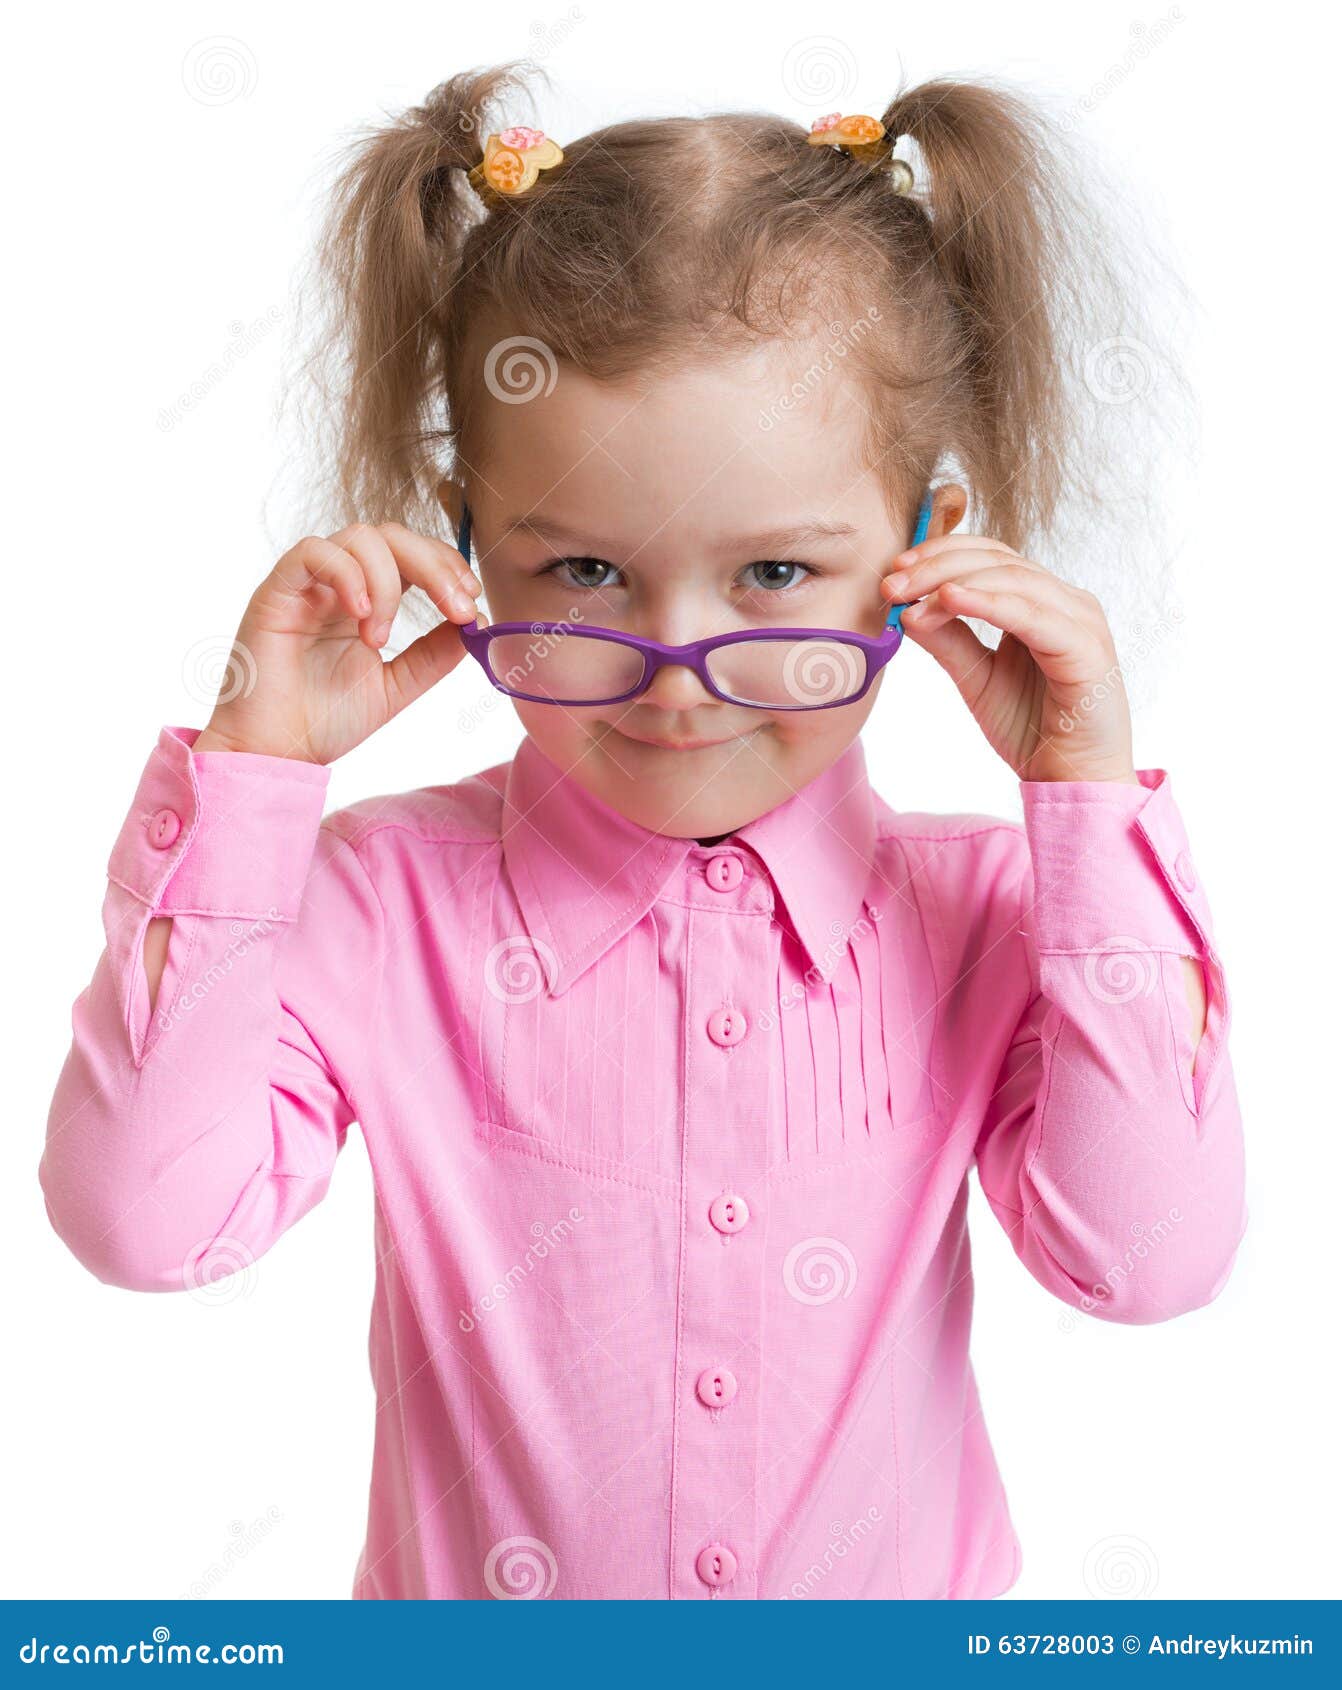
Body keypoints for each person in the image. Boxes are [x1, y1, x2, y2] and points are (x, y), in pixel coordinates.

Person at [38, 66, 1246, 1600]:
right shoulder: (368, 898)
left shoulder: (997, 908)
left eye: (777, 572)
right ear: (466, 540)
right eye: (591, 568)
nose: (680, 673)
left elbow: (1145, 1260)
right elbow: (146, 1223)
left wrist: (1084, 807)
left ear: (923, 550)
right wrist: (252, 776)